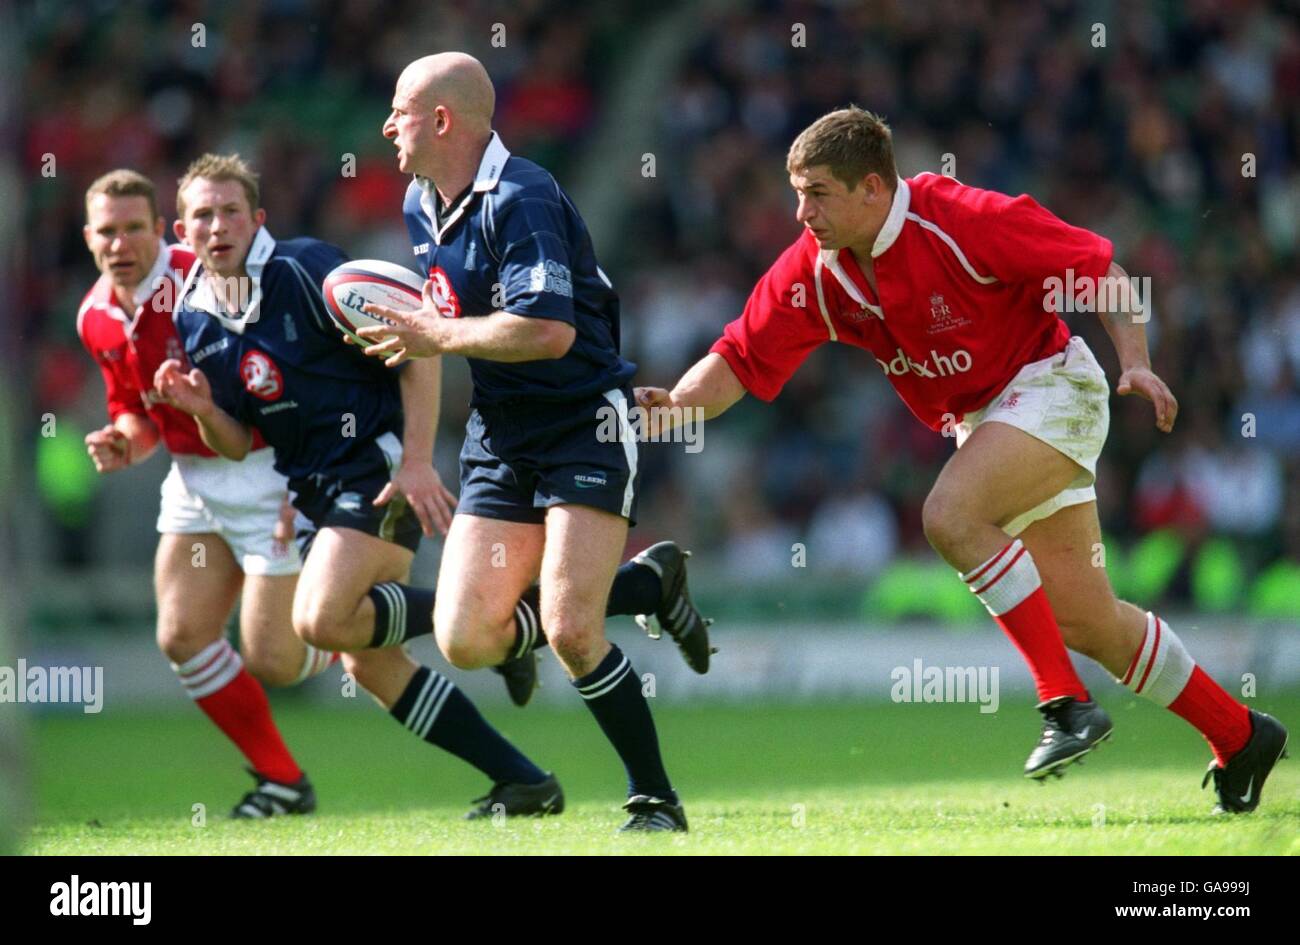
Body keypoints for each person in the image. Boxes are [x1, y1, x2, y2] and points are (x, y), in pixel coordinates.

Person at [636, 107, 1288, 813]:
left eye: (817, 193)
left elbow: (1098, 269)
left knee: (950, 514)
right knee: (1089, 620)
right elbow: (739, 357)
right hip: (987, 420)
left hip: (1052, 385)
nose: (801, 213)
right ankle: (1240, 733)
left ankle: (1063, 703)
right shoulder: (815, 272)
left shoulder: (962, 217)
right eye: (797, 193)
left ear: (873, 189)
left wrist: (1136, 361)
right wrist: (676, 405)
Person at [155, 153, 563, 819]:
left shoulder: (309, 269)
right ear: (183, 231)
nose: (218, 223)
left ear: (257, 219)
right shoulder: (196, 317)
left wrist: (419, 461)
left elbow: (420, 347)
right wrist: (202, 410)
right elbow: (236, 443)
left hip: (376, 469)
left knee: (321, 619)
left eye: (231, 210)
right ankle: (525, 778)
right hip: (312, 491)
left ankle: (496, 616)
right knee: (365, 664)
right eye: (203, 214)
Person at [356, 53, 701, 831]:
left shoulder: (523, 197)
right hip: (501, 436)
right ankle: (648, 587)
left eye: (399, 110)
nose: (386, 127)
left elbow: (548, 331)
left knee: (575, 631)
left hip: (584, 421)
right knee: (467, 636)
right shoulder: (420, 203)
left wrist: (436, 337)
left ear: (442, 120)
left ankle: (656, 800)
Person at [77, 169, 335, 818]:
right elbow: (137, 414)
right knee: (183, 633)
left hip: (269, 465)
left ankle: (357, 619)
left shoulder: (203, 274)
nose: (121, 242)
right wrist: (123, 442)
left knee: (275, 657)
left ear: (161, 229)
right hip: (193, 480)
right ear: (88, 238)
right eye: (107, 231)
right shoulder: (94, 318)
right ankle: (282, 780)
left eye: (135, 227)